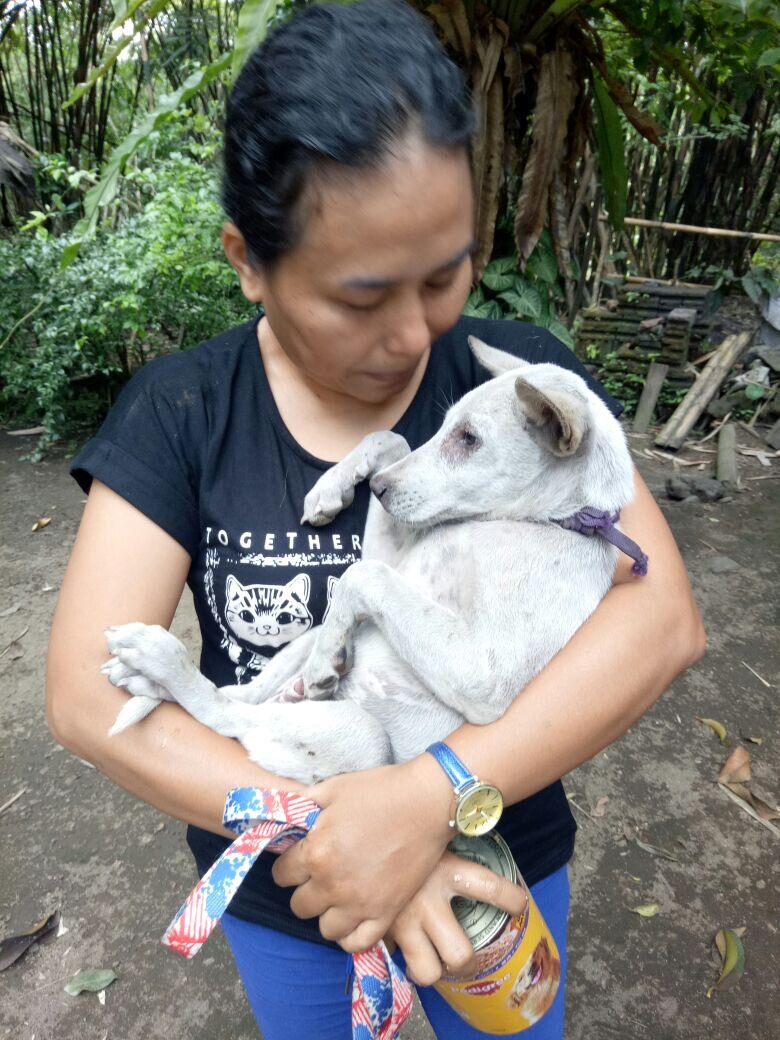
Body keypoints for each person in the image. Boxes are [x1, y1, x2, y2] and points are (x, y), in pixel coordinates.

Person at [45, 2, 705, 1038]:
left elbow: (660, 619)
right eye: (361, 299)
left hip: (499, 865)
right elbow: (86, 697)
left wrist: (432, 799)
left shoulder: (523, 389)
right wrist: (348, 834)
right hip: (294, 891)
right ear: (248, 260)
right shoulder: (184, 411)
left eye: (445, 274)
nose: (413, 335)